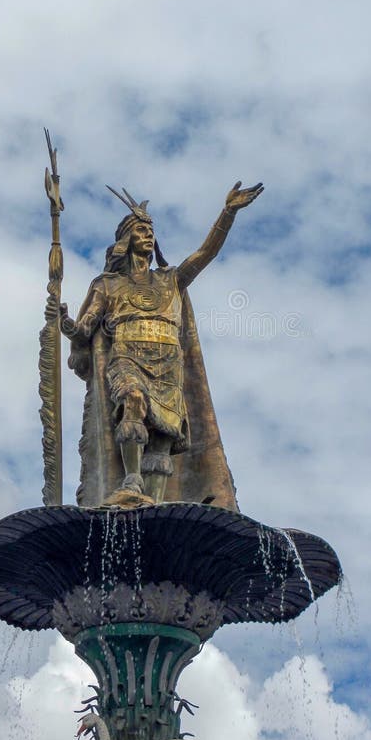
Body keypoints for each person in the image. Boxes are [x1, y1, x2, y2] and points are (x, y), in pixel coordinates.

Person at [60, 181, 263, 507]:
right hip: (127, 354)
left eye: (150, 231)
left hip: (168, 359)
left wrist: (228, 212)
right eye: (140, 231)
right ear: (126, 240)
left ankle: (150, 503)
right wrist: (65, 322)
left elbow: (204, 254)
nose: (148, 236)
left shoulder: (170, 279)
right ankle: (131, 479)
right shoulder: (107, 285)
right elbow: (83, 331)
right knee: (132, 398)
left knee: (163, 437)